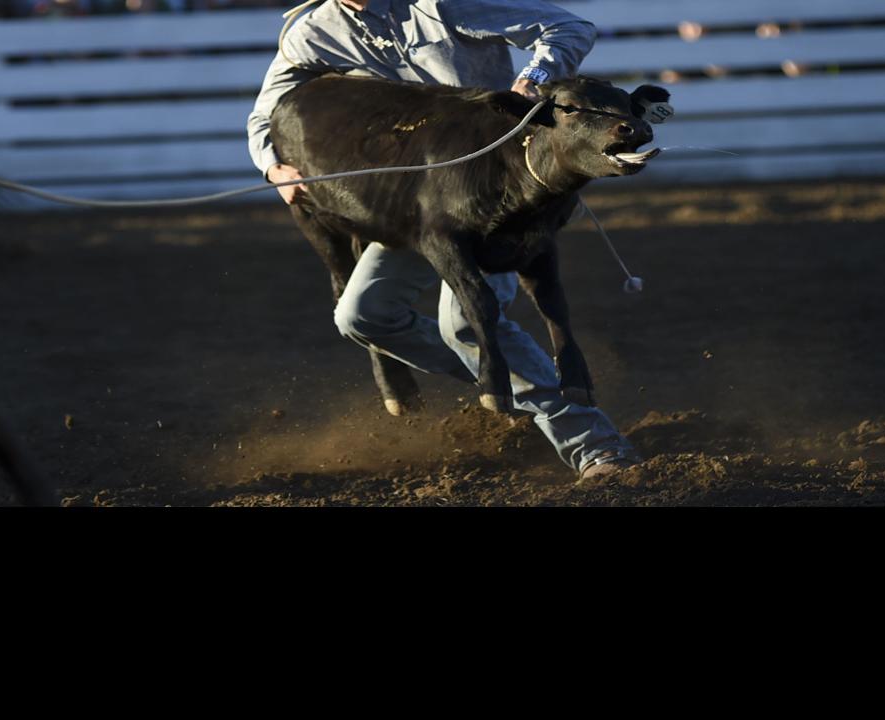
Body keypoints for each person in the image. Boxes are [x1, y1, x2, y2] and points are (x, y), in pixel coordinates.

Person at [246, 0, 639, 480]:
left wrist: (535, 75)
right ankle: (526, 391)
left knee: (468, 325)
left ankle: (596, 447)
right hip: (414, 203)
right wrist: (272, 165)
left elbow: (569, 27)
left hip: (500, 194)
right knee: (362, 316)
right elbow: (268, 108)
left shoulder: (442, 5)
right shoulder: (315, 29)